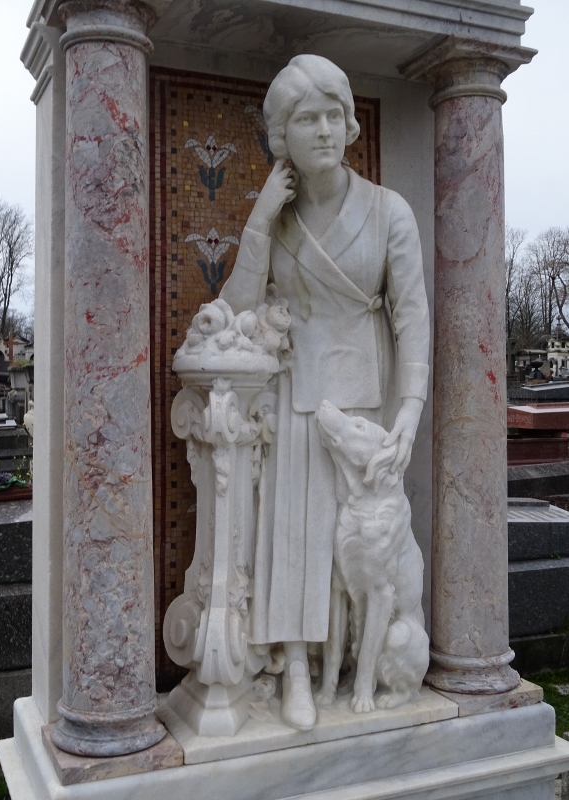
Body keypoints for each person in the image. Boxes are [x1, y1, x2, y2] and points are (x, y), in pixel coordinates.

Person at [220, 54, 430, 731]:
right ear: (283, 134)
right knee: (297, 539)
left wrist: (411, 411)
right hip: (297, 395)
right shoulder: (278, 223)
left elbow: (413, 315)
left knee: (362, 553)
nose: (325, 130)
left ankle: (350, 668)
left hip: (365, 404)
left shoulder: (388, 210)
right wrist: (257, 222)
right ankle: (299, 673)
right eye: (307, 118)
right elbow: (235, 313)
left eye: (334, 115)